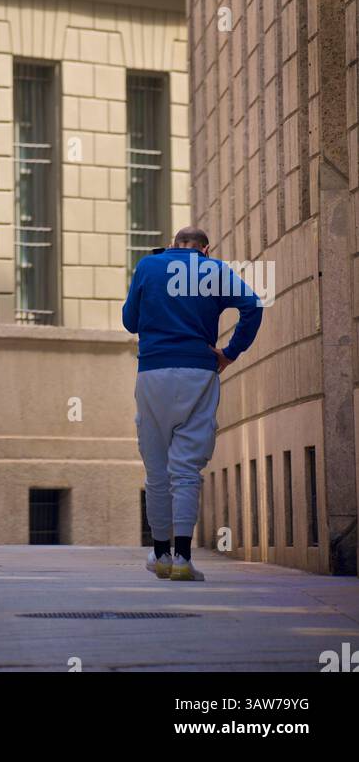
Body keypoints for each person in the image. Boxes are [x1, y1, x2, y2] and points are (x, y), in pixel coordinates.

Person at [122, 226, 263, 582]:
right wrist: (229, 353)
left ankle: (160, 554)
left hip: (152, 372)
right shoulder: (214, 270)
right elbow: (253, 307)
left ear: (173, 244)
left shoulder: (148, 266)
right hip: (198, 372)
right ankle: (184, 559)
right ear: (204, 248)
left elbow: (130, 321)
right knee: (185, 470)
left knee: (156, 472)